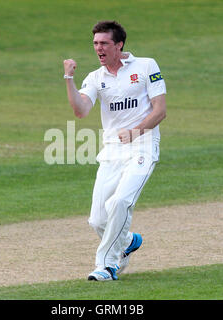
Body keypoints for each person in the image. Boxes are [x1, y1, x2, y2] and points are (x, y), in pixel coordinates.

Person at [63, 20, 167, 281]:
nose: (99, 48)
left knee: (120, 202)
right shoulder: (96, 78)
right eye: (96, 43)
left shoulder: (146, 66)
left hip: (142, 146)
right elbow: (81, 110)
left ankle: (107, 266)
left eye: (104, 43)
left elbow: (160, 110)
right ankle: (129, 241)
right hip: (112, 151)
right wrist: (69, 78)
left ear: (118, 45)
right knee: (98, 220)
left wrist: (136, 132)